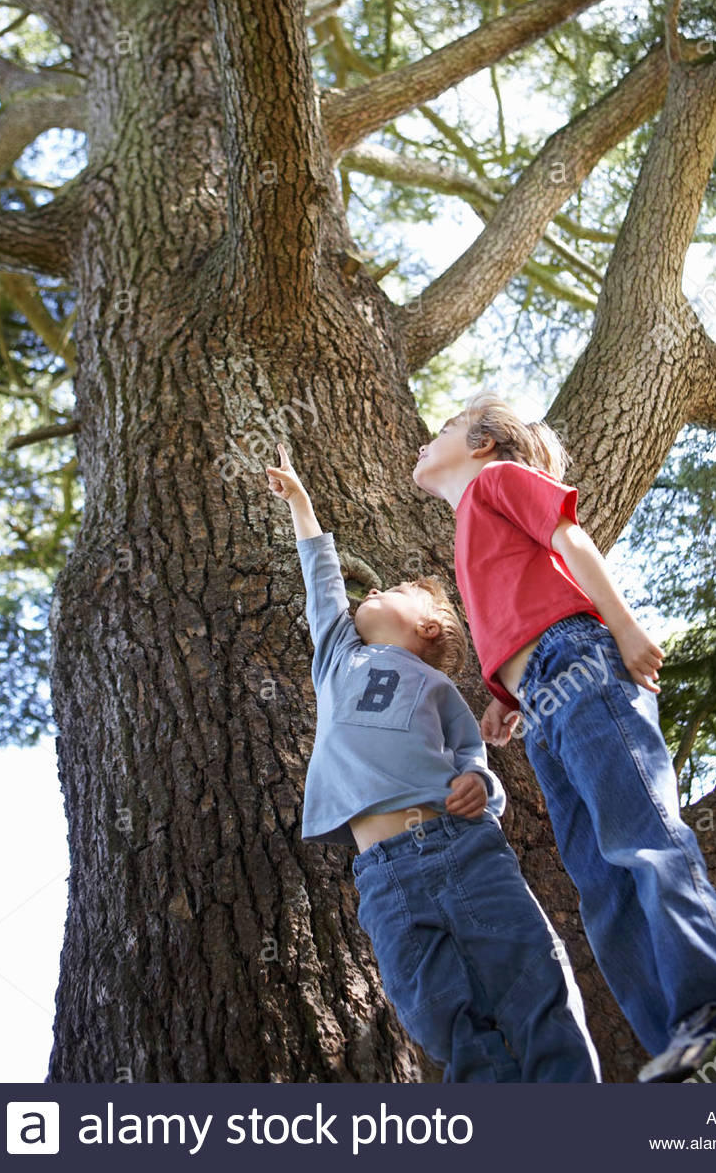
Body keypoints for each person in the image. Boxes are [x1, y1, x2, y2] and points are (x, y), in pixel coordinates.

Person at [412, 392, 716, 1082]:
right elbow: (520, 610)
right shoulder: (469, 528)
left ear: (481, 443)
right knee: (601, 887)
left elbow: (571, 542)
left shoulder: (499, 481)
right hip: (543, 700)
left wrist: (623, 625)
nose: (429, 437)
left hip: (584, 662)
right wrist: (506, 698)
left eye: (444, 426)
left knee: (646, 842)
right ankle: (681, 1050)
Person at [266, 442, 601, 1083]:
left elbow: (471, 755)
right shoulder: (339, 658)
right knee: (443, 1022)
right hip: (386, 880)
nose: (378, 589)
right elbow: (322, 587)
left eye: (395, 590)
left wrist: (481, 784)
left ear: (428, 628)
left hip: (464, 851)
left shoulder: (440, 689)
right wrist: (304, 509)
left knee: (536, 989)